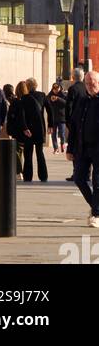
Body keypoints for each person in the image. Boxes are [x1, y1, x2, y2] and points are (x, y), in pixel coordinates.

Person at [68, 70, 99, 228]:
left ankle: (96, 214)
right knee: (79, 178)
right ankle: (96, 207)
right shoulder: (83, 101)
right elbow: (74, 125)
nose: (90, 86)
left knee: (97, 181)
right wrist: (69, 148)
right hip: (82, 147)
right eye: (87, 83)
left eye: (93, 83)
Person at [15, 78, 49, 183]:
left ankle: (28, 176)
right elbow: (50, 110)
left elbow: (22, 115)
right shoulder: (42, 95)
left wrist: (25, 128)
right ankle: (43, 176)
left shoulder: (24, 98)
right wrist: (51, 124)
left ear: (28, 86)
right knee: (40, 153)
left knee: (28, 154)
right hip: (39, 128)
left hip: (29, 130)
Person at [66, 67, 88, 181]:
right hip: (86, 121)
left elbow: (68, 106)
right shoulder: (86, 87)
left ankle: (76, 172)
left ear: (73, 77)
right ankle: (87, 173)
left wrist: (68, 122)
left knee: (75, 148)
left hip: (75, 122)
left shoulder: (72, 89)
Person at [46, 81, 67, 154]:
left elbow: (66, 103)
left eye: (57, 88)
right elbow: (46, 101)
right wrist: (50, 100)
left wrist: (58, 99)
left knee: (62, 133)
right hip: (53, 117)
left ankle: (62, 145)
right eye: (54, 88)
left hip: (62, 118)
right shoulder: (50, 94)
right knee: (53, 134)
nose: (55, 90)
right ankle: (56, 148)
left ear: (60, 88)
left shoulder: (63, 94)